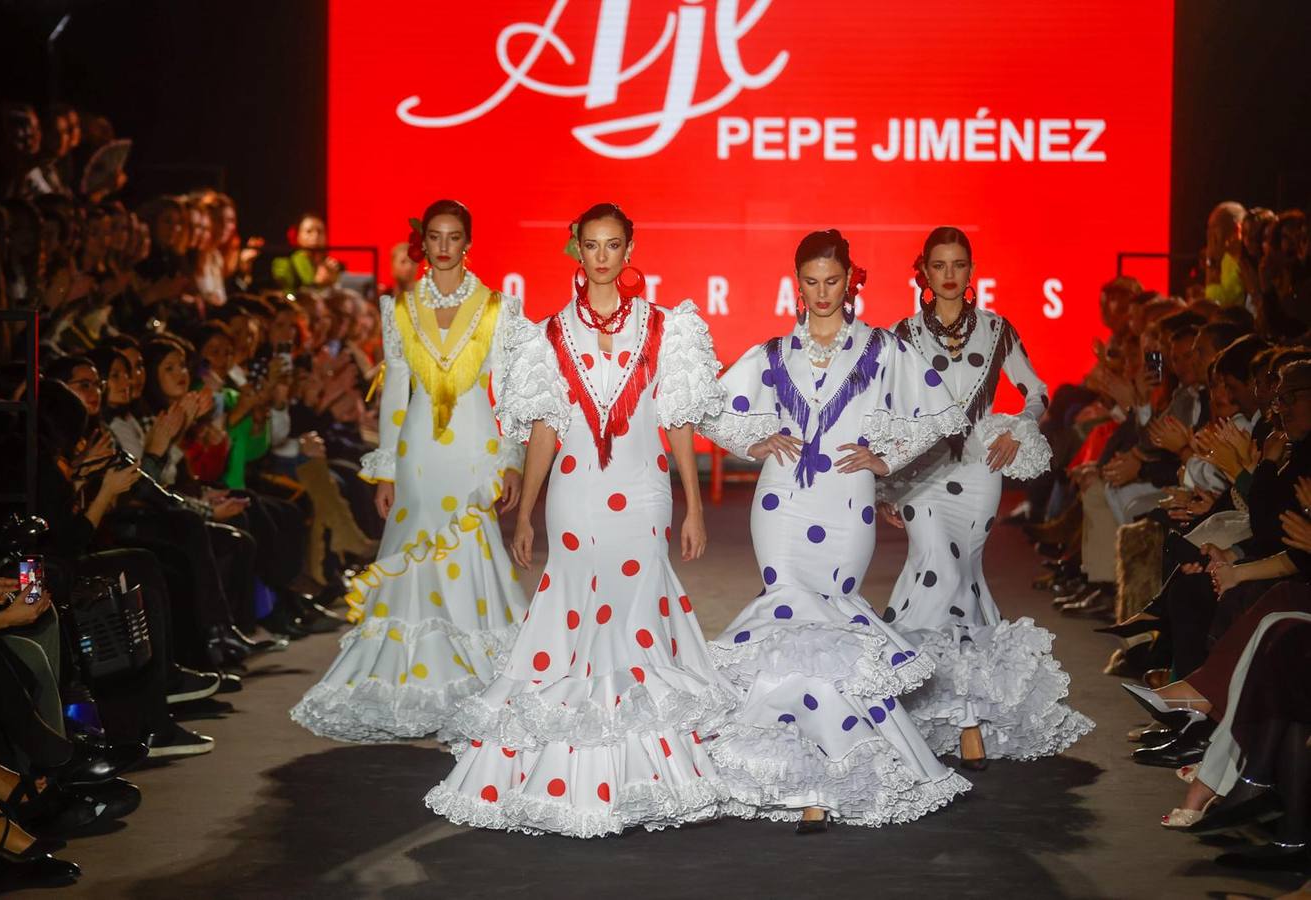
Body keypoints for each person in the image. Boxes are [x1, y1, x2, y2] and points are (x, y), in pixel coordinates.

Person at [425, 202, 734, 837]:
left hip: (643, 492)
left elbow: (677, 423)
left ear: (628, 249)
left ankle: (641, 772)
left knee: (636, 613)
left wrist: (694, 504)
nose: (601, 256)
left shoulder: (664, 329)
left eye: (612, 244)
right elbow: (544, 429)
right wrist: (528, 513)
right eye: (591, 244)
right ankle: (570, 769)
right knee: (572, 608)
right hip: (573, 496)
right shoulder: (548, 336)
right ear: (576, 248)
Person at [697, 229, 971, 833]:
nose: (822, 293)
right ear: (798, 285)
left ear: (852, 281)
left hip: (846, 503)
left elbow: (941, 411)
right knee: (787, 619)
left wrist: (885, 459)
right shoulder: (774, 353)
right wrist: (755, 441)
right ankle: (804, 783)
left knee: (834, 622)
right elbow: (711, 406)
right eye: (811, 282)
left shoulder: (881, 348)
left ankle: (834, 767)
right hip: (781, 504)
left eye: (833, 280)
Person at [291, 200, 529, 741]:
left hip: (474, 443)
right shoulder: (400, 310)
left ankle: (475, 679)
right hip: (420, 450)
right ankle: (414, 676)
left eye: (455, 237)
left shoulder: (498, 308)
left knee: (471, 544)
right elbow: (396, 395)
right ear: (423, 243)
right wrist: (386, 470)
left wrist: (510, 458)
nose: (444, 247)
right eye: (436, 237)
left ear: (468, 242)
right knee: (416, 542)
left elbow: (510, 394)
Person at [880, 226, 1093, 768]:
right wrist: (886, 481)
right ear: (922, 272)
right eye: (939, 265)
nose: (949, 275)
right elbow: (886, 410)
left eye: (958, 265)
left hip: (978, 473)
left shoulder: (997, 330)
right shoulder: (902, 335)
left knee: (962, 578)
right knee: (939, 572)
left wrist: (1015, 429)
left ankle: (898, 697)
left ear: (970, 271)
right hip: (923, 476)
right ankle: (966, 716)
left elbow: (1037, 391)